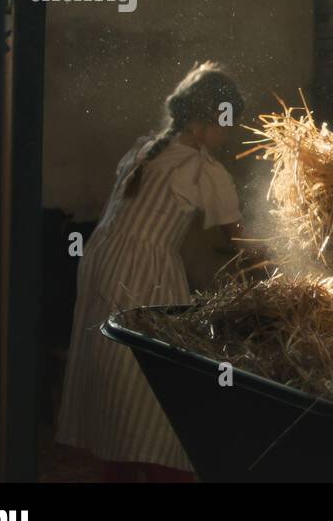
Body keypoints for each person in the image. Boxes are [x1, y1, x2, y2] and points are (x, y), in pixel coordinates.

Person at [56, 61, 248, 482]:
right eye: (226, 124)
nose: (229, 136)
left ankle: (118, 468)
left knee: (114, 378)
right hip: (140, 272)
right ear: (203, 121)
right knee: (154, 386)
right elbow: (241, 242)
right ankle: (165, 471)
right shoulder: (201, 168)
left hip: (102, 259)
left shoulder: (148, 149)